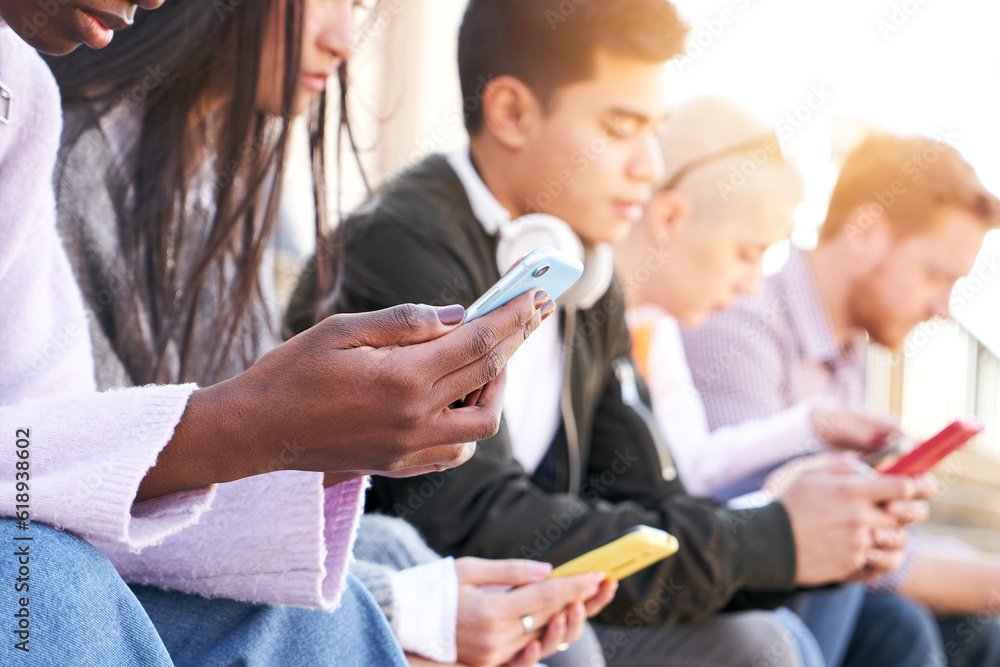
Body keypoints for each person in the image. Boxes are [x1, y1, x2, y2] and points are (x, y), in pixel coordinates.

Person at [290, 2, 934, 665]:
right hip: (376, 590)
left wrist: (816, 536)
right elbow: (470, 521)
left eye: (655, 130)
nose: (649, 166)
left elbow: (650, 504)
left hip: (522, 599)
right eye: (621, 127)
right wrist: (773, 537)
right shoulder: (406, 244)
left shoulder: (587, 274)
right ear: (512, 112)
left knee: (760, 644)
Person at [49, 0, 616, 665]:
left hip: (157, 564)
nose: (345, 39)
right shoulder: (76, 164)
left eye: (357, 5)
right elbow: (72, 492)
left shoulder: (219, 186)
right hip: (82, 569)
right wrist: (407, 604)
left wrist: (331, 447)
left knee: (416, 562)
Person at [682, 128, 1000, 667]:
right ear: (865, 231)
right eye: (934, 275)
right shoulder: (738, 316)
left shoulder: (849, 354)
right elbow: (765, 525)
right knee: (898, 627)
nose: (943, 307)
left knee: (972, 634)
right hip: (727, 600)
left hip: (806, 598)